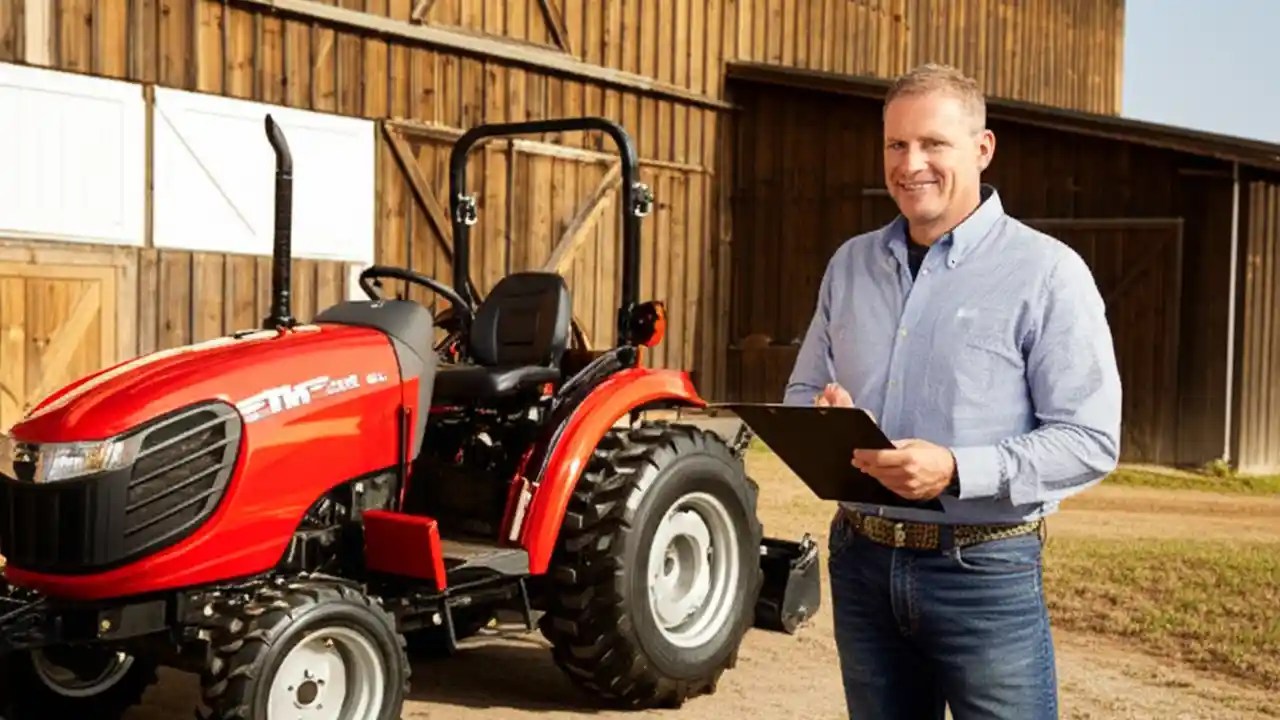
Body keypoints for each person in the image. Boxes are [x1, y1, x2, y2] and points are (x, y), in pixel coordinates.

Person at [783, 63, 1122, 719]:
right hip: (861, 561)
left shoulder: (1047, 273)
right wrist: (824, 420)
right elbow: (802, 391)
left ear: (981, 148)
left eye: (933, 143)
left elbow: (1091, 440)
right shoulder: (850, 264)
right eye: (896, 145)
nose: (912, 164)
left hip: (983, 575)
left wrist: (957, 469)